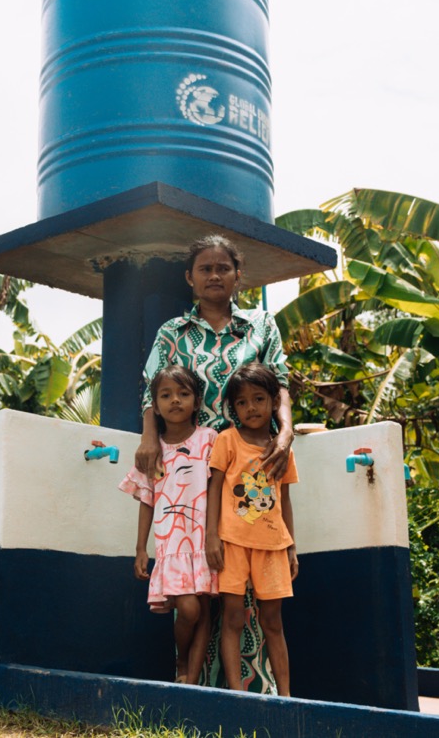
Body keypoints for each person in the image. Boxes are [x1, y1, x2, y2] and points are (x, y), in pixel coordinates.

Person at [132, 234, 296, 692]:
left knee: (249, 590)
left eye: (223, 267)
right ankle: (194, 690)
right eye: (204, 268)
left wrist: (285, 432)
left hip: (249, 468)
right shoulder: (172, 332)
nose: (214, 275)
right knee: (200, 585)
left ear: (238, 275)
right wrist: (150, 439)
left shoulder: (261, 325)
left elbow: (280, 383)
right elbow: (151, 389)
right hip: (190, 469)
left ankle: (258, 693)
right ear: (190, 278)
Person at [118, 364, 219, 684]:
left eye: (183, 394)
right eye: (166, 395)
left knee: (204, 611)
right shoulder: (152, 451)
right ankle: (181, 660)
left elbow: (218, 488)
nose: (175, 401)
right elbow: (147, 501)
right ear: (155, 406)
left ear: (196, 401)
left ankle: (191, 677)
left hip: (204, 541)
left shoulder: (209, 440)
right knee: (188, 610)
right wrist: (139, 549)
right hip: (171, 545)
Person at [205, 362, 299, 696]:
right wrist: (211, 536)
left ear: (274, 402)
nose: (251, 408)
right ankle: (236, 694)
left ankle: (286, 696)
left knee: (273, 621)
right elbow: (214, 488)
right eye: (242, 403)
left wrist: (291, 547)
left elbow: (284, 499)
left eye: (258, 399)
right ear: (233, 409)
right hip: (231, 543)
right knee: (232, 617)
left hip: (273, 546)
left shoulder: (281, 448)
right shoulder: (227, 440)